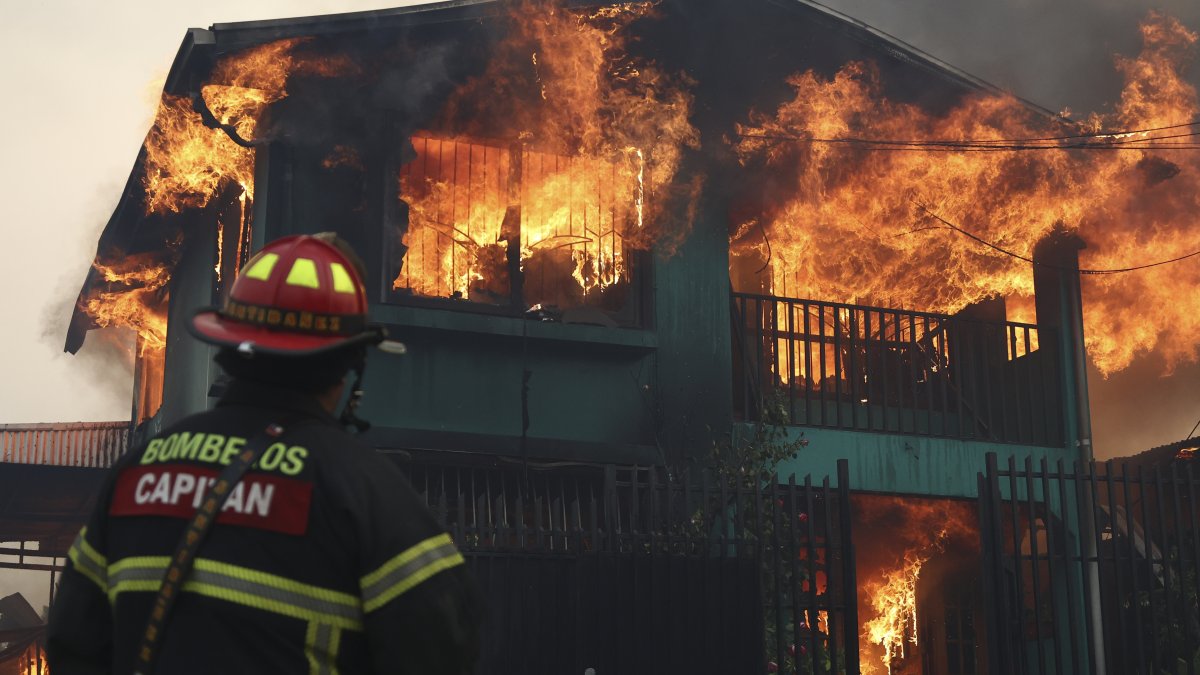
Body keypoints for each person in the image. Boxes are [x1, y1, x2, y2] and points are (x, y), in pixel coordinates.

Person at [47, 233, 481, 674]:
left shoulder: (137, 475)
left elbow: (71, 642)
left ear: (231, 345)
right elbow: (443, 651)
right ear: (348, 364)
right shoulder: (370, 495)